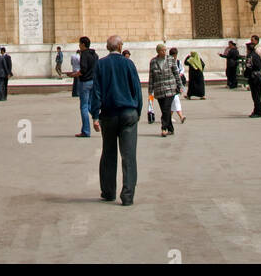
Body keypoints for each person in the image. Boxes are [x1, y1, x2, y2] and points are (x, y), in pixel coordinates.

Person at [90, 35, 142, 205]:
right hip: (129, 113)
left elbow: (96, 92)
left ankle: (108, 191)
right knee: (129, 156)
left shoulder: (101, 64)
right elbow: (137, 90)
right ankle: (127, 196)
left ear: (107, 47)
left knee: (108, 154)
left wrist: (95, 115)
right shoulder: (129, 63)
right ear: (120, 47)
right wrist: (138, 112)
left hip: (108, 114)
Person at [148, 43, 181, 136]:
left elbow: (176, 73)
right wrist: (150, 90)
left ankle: (164, 128)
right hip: (159, 89)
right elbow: (151, 76)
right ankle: (171, 128)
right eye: (162, 50)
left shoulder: (170, 59)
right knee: (164, 110)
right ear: (158, 51)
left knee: (166, 108)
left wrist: (180, 86)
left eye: (165, 50)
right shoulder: (153, 61)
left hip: (170, 88)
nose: (164, 52)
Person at [74, 36, 98, 138]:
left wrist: (75, 74)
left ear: (83, 44)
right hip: (94, 81)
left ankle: (86, 131)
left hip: (85, 82)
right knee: (90, 104)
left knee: (83, 106)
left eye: (80, 44)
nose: (79, 46)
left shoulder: (84, 54)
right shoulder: (95, 54)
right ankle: (97, 118)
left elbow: (83, 69)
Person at [244, 42, 261, 118]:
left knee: (255, 95)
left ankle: (258, 112)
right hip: (259, 75)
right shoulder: (256, 55)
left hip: (253, 77)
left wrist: (246, 74)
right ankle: (258, 110)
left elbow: (248, 67)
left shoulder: (250, 56)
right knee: (258, 95)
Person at [167, 48, 186, 124]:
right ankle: (180, 116)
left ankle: (169, 117)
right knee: (175, 101)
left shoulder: (178, 62)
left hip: (176, 85)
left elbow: (181, 69)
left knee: (174, 101)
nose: (174, 57)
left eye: (175, 55)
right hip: (170, 85)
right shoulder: (167, 62)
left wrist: (180, 86)